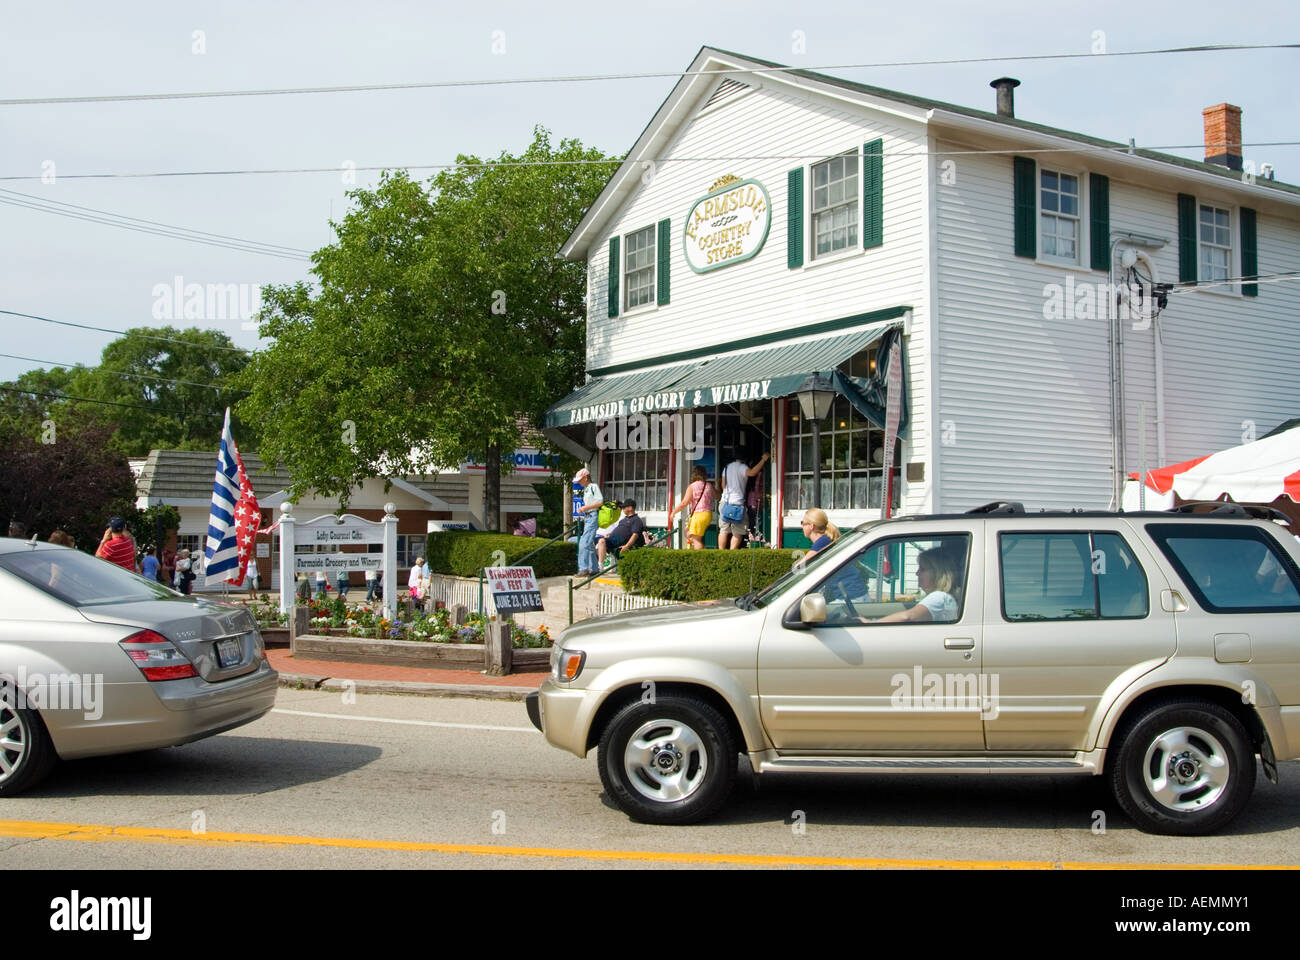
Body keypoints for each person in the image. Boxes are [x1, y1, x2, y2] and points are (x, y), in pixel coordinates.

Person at [863, 547, 961, 624]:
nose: (917, 573)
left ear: (937, 573)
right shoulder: (945, 598)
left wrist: (870, 623)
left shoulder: (939, 597)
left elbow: (908, 617)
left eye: (922, 569)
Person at [719, 451, 769, 549]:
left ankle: (721, 553)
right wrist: (763, 460)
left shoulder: (726, 467)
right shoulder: (742, 467)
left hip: (725, 502)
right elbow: (752, 473)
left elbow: (723, 486)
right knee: (738, 532)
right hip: (737, 504)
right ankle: (732, 554)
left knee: (723, 530)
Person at [668, 465, 716, 550]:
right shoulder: (709, 485)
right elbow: (717, 496)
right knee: (687, 532)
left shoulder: (692, 486)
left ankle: (700, 559)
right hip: (707, 514)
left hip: (699, 514)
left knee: (696, 539)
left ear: (694, 474)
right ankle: (702, 550)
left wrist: (673, 512)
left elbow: (684, 503)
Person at [595, 500, 647, 569]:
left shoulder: (636, 520)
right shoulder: (623, 519)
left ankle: (600, 566)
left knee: (601, 541)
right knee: (591, 541)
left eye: (624, 507)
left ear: (630, 508)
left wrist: (627, 546)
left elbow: (635, 535)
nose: (623, 509)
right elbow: (618, 529)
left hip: (620, 541)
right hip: (613, 539)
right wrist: (610, 534)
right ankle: (600, 562)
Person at [574, 467, 604, 575]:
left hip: (592, 516)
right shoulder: (586, 490)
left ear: (586, 477)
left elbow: (600, 502)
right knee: (589, 543)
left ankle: (583, 568)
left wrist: (585, 508)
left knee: (584, 542)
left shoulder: (593, 487)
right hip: (588, 517)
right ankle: (594, 568)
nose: (579, 482)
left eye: (580, 479)